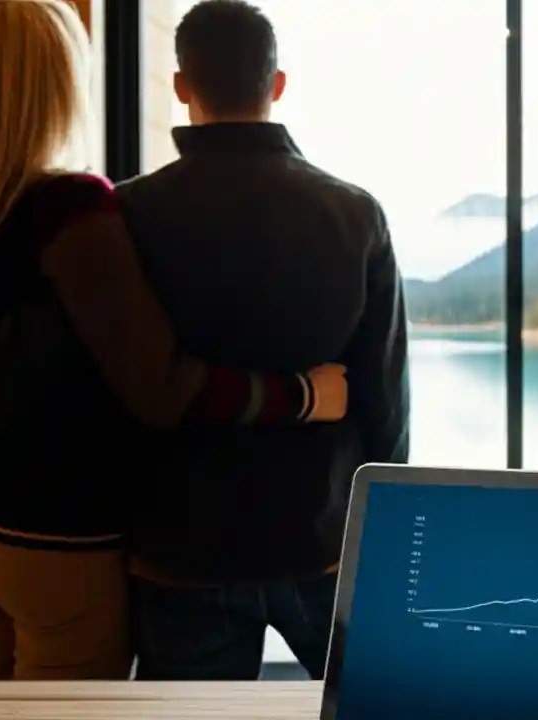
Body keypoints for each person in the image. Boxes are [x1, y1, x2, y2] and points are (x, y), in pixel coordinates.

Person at [0, 0, 347, 681]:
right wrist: (300, 394)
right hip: (58, 533)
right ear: (58, 83)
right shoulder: (73, 208)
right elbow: (161, 386)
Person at [117, 0, 410, 680]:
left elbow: (124, 383)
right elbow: (383, 394)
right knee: (372, 702)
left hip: (181, 543)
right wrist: (388, 531)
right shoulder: (354, 211)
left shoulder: (128, 214)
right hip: (322, 534)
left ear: (182, 86)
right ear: (276, 85)